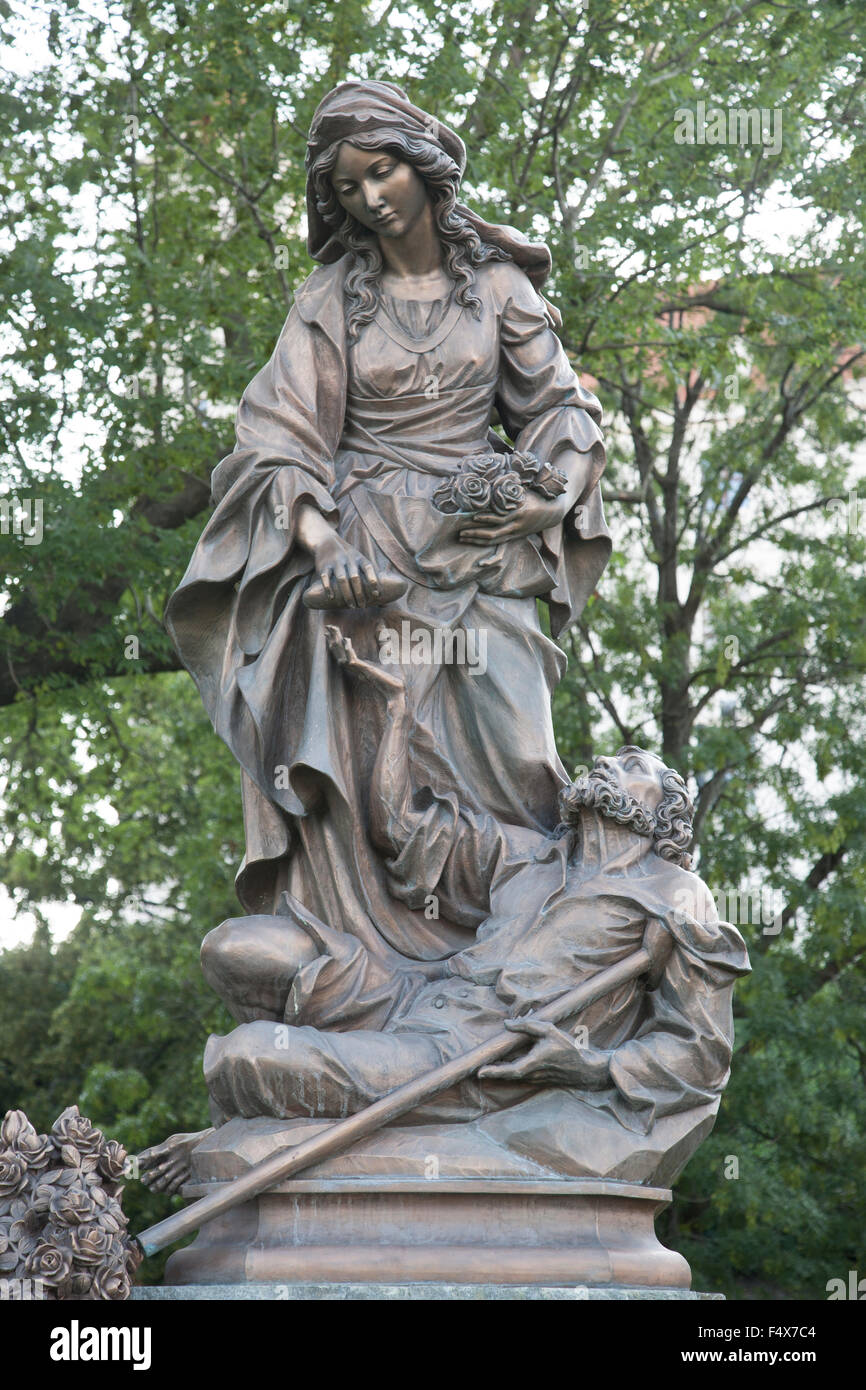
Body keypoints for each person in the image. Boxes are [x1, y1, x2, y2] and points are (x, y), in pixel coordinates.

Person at [164, 80, 612, 1023]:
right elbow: (278, 440)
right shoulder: (332, 297)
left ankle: (522, 966)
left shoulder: (499, 290)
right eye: (352, 185)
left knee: (521, 760)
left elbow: (562, 412)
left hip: (477, 550)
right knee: (373, 775)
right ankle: (384, 979)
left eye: (385, 170)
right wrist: (322, 549)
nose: (373, 196)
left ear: (423, 164)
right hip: (364, 563)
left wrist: (541, 500)